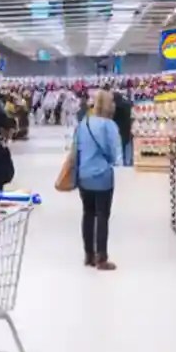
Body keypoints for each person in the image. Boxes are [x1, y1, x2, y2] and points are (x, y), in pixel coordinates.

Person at [74, 90, 122, 271]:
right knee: (102, 215)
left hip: (83, 175)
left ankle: (88, 255)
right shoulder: (109, 126)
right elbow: (113, 152)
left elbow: (76, 147)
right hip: (102, 176)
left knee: (87, 213)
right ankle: (102, 257)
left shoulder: (83, 123)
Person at [113, 89, 134, 166]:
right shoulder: (127, 105)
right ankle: (127, 163)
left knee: (119, 149)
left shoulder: (114, 108)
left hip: (118, 130)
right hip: (127, 129)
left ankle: (122, 163)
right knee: (126, 148)